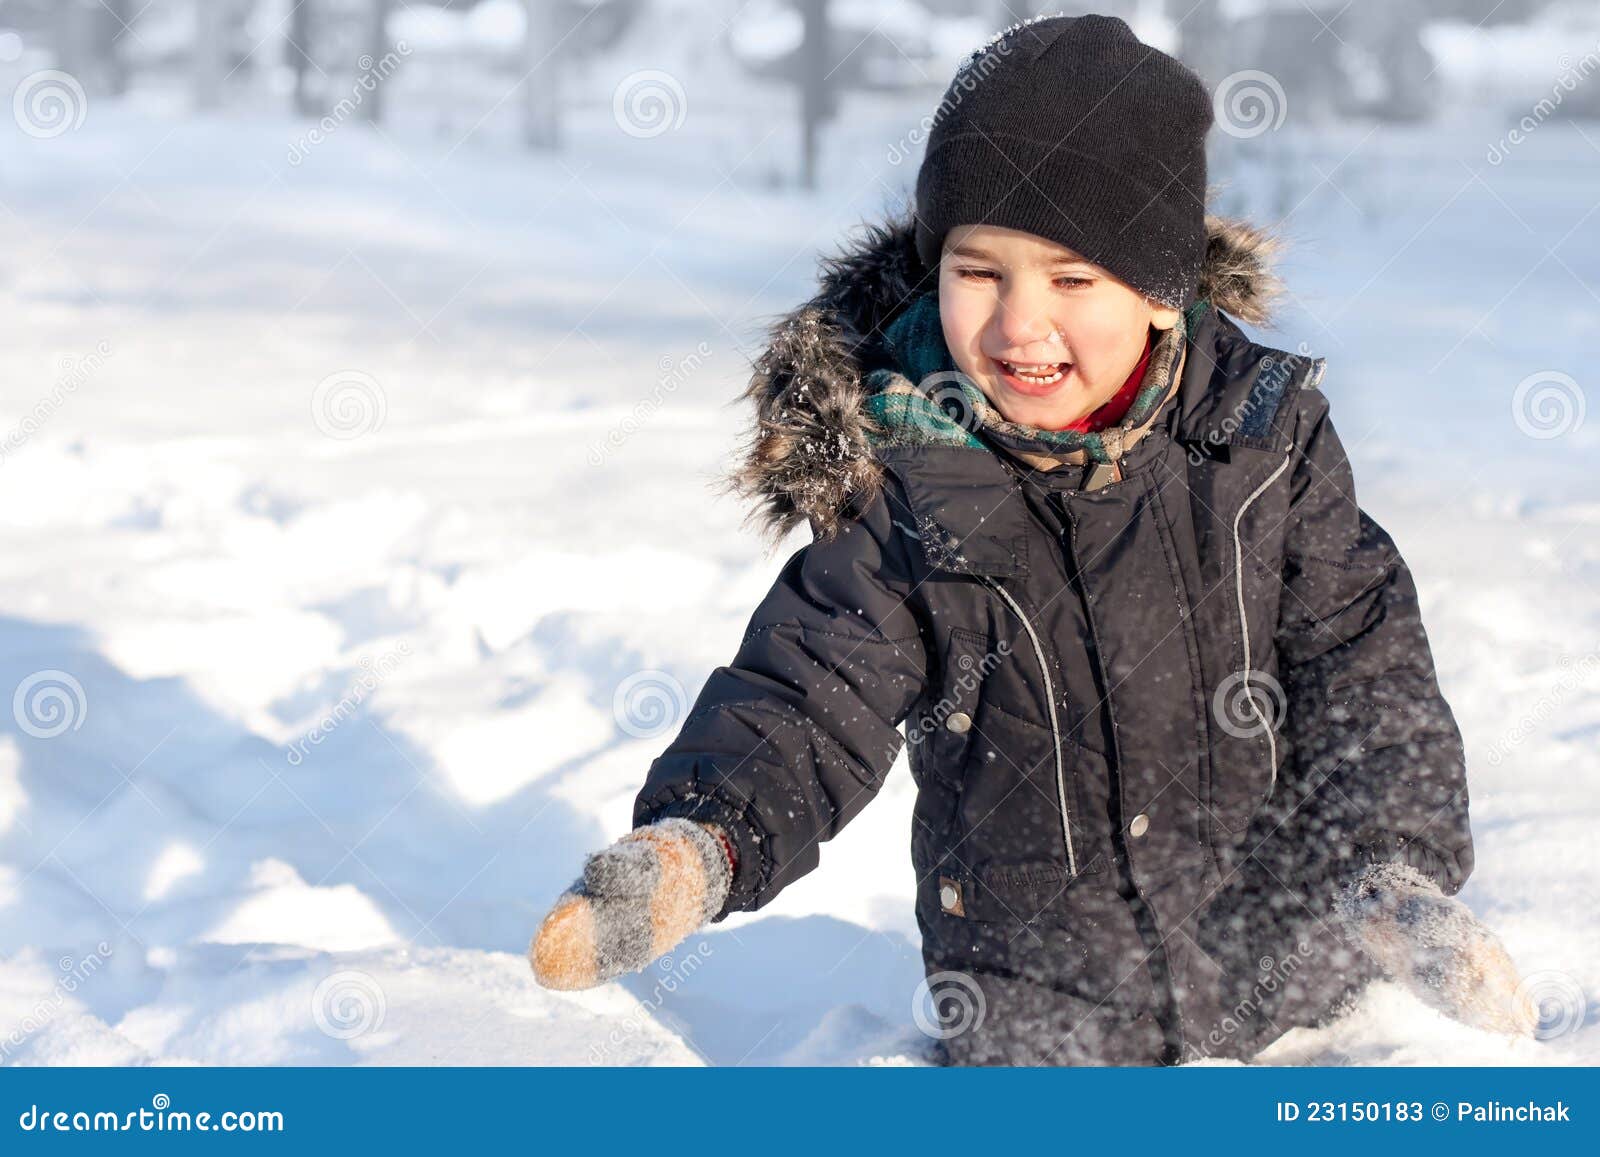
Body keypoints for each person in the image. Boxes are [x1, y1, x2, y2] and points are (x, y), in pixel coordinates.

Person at [529, 14, 1535, 1064]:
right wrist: (704, 838)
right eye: (979, 272)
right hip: (1035, 1021)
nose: (1017, 324)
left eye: (1069, 278)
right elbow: (813, 682)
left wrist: (1387, 866)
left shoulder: (1259, 441)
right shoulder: (907, 477)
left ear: (1156, 292)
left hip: (1298, 1004)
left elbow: (1360, 654)